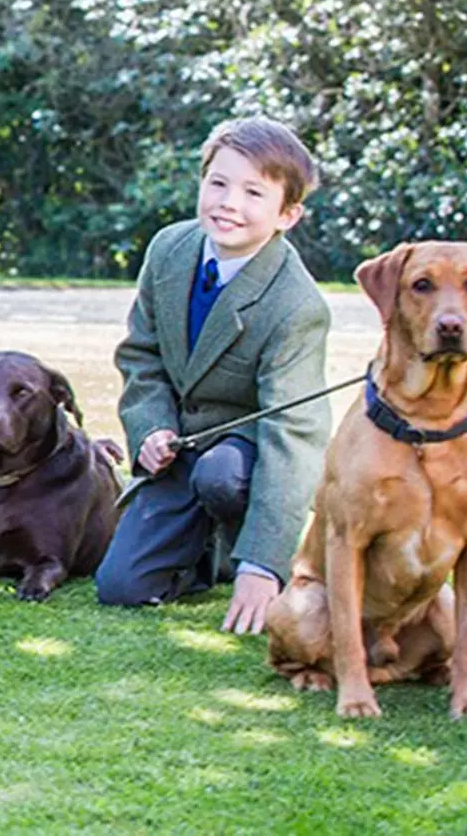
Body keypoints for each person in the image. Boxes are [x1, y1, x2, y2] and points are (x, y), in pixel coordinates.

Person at [96, 116, 330, 634]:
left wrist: (262, 565)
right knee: (121, 588)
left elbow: (294, 437)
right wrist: (150, 427)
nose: (228, 203)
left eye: (253, 193)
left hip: (243, 454)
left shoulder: (297, 306)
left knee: (221, 475)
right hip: (179, 445)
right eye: (218, 183)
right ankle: (205, 556)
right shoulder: (168, 249)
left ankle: (243, 548)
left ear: (288, 215)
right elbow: (141, 354)